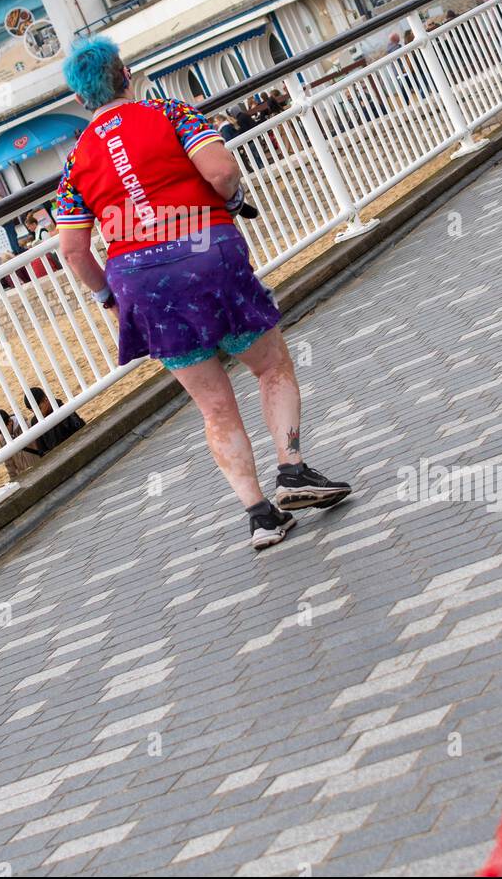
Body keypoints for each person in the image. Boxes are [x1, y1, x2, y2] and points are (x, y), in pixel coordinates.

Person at [55, 36, 351, 552]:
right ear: (126, 74)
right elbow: (219, 171)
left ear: (81, 100)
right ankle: (293, 470)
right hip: (205, 251)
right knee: (272, 365)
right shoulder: (169, 112)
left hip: (140, 279)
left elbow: (74, 250)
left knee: (213, 406)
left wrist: (108, 299)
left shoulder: (76, 161)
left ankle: (259, 516)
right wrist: (234, 199)